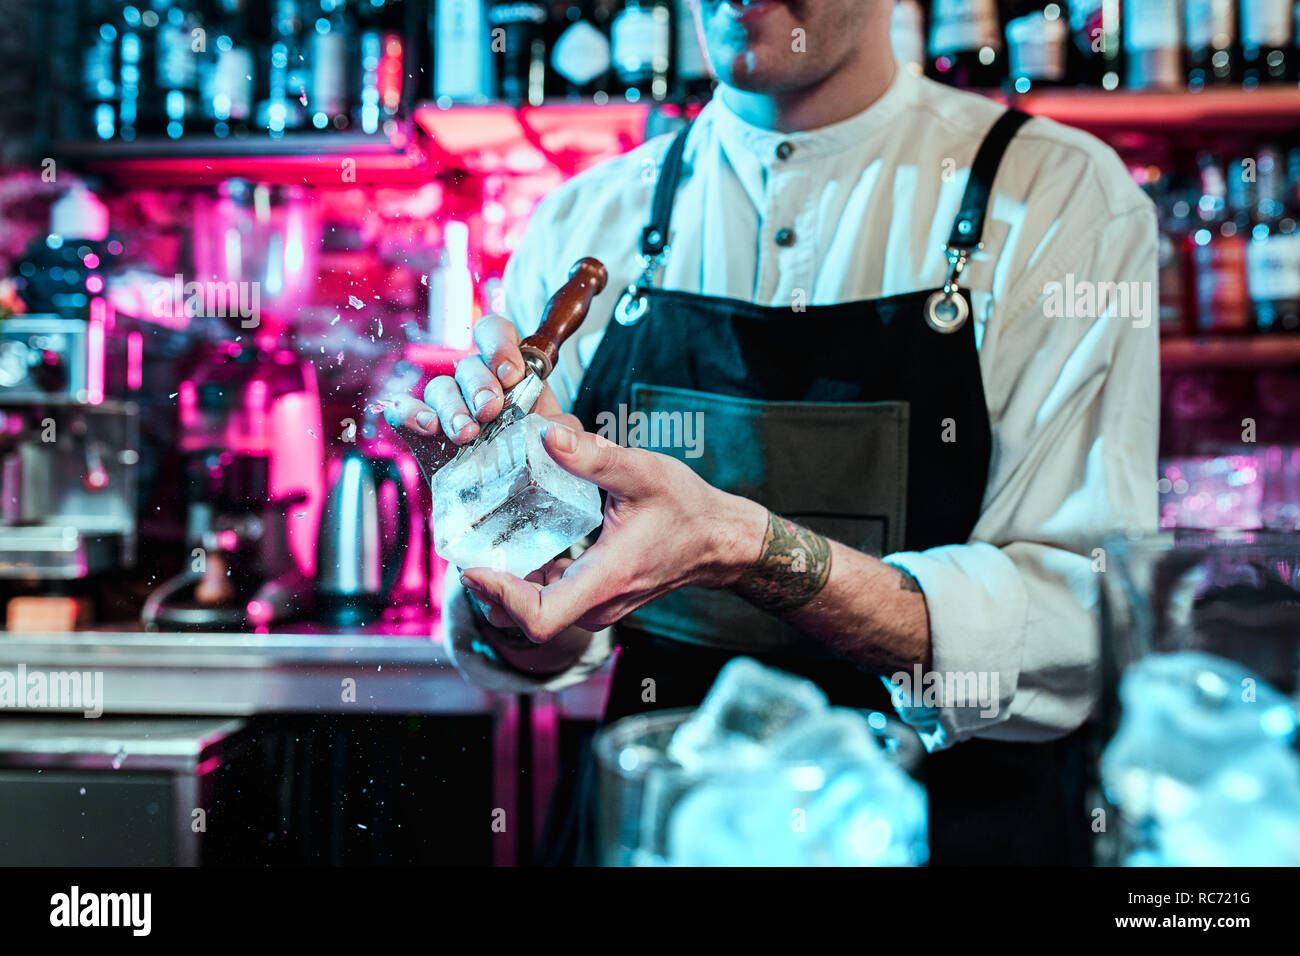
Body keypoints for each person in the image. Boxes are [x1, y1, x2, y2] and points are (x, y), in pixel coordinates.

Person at [386, 0, 1157, 865]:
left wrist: (747, 548)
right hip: (661, 833)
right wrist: (518, 557)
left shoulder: (1059, 199)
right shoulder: (588, 219)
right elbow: (540, 639)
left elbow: (1076, 630)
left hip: (953, 832)